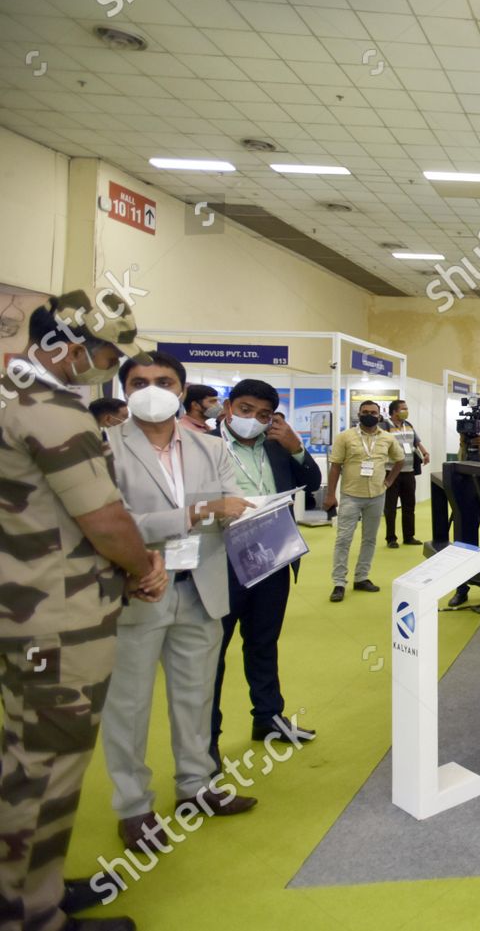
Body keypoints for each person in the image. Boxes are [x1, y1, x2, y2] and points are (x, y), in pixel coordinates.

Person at [0, 289, 167, 931]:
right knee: (48, 765)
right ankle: (32, 915)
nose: (107, 366)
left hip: (21, 609)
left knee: (21, 756)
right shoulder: (52, 411)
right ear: (68, 347)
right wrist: (142, 565)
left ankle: (24, 887)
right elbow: (104, 519)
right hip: (60, 618)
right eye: (103, 353)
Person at [102, 351, 259, 855]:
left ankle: (197, 787)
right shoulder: (103, 449)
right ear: (125, 390)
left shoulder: (208, 445)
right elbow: (111, 523)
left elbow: (231, 498)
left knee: (195, 696)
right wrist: (196, 512)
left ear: (180, 389)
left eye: (163, 381)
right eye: (140, 381)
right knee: (129, 706)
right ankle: (133, 807)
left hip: (202, 584)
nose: (151, 388)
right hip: (140, 588)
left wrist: (241, 513)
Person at [209, 379, 321, 761]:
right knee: (212, 651)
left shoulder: (276, 445)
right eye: (244, 410)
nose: (252, 420)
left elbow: (314, 483)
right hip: (218, 560)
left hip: (272, 554)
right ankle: (207, 736)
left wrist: (297, 448)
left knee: (263, 642)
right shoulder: (201, 445)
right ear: (227, 407)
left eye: (262, 414)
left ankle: (268, 717)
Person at [325, 400, 404, 603]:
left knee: (369, 539)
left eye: (373, 412)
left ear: (379, 415)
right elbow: (335, 467)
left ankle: (361, 577)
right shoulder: (345, 437)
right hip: (351, 495)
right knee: (343, 540)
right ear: (358, 415)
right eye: (365, 412)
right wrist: (330, 495)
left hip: (377, 496)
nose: (369, 415)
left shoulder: (387, 438)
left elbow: (400, 460)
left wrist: (389, 481)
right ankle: (339, 582)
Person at [380, 399, 429, 549]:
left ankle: (409, 536)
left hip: (408, 471)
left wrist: (425, 452)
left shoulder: (408, 425)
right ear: (394, 411)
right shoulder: (385, 426)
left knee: (409, 506)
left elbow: (417, 442)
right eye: (403, 409)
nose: (406, 411)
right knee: (391, 507)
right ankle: (391, 538)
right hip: (391, 472)